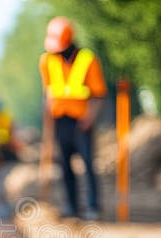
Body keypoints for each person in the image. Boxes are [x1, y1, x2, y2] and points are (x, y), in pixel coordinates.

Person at [39, 17, 107, 220]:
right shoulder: (47, 61)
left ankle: (93, 207)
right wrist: (48, 112)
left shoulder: (87, 59)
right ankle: (72, 207)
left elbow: (98, 94)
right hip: (61, 120)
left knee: (87, 162)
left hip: (82, 121)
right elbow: (48, 92)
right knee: (65, 164)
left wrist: (90, 117)